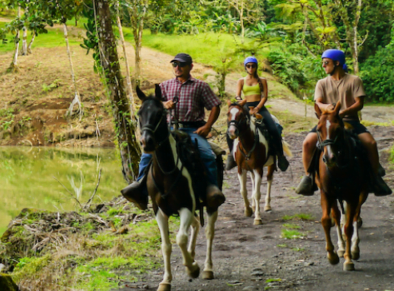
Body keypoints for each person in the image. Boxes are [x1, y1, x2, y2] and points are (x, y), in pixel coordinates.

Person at [121, 53, 226, 212]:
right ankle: (140, 187)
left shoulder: (200, 86)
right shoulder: (164, 86)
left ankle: (212, 189)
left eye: (181, 65)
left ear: (190, 66)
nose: (177, 68)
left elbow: (215, 106)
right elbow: (152, 105)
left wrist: (207, 126)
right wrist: (163, 104)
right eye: (175, 65)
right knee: (147, 154)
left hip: (192, 129)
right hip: (168, 130)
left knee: (208, 154)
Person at [295, 48, 394, 197]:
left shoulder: (354, 80)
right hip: (328, 121)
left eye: (326, 63)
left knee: (371, 143)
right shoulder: (321, 83)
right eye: (323, 63)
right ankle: (309, 177)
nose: (323, 66)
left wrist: (343, 112)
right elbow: (318, 102)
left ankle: (375, 177)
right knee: (307, 143)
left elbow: (359, 103)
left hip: (350, 120)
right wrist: (325, 108)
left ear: (337, 63)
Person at [226, 56, 289, 172]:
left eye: (253, 66)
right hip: (245, 106)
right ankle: (231, 155)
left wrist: (257, 108)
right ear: (245, 67)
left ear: (256, 67)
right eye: (248, 66)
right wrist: (240, 102)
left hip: (260, 107)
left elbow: (264, 96)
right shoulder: (241, 81)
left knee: (273, 128)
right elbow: (237, 95)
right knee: (230, 128)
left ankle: (280, 156)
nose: (250, 68)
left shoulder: (263, 80)